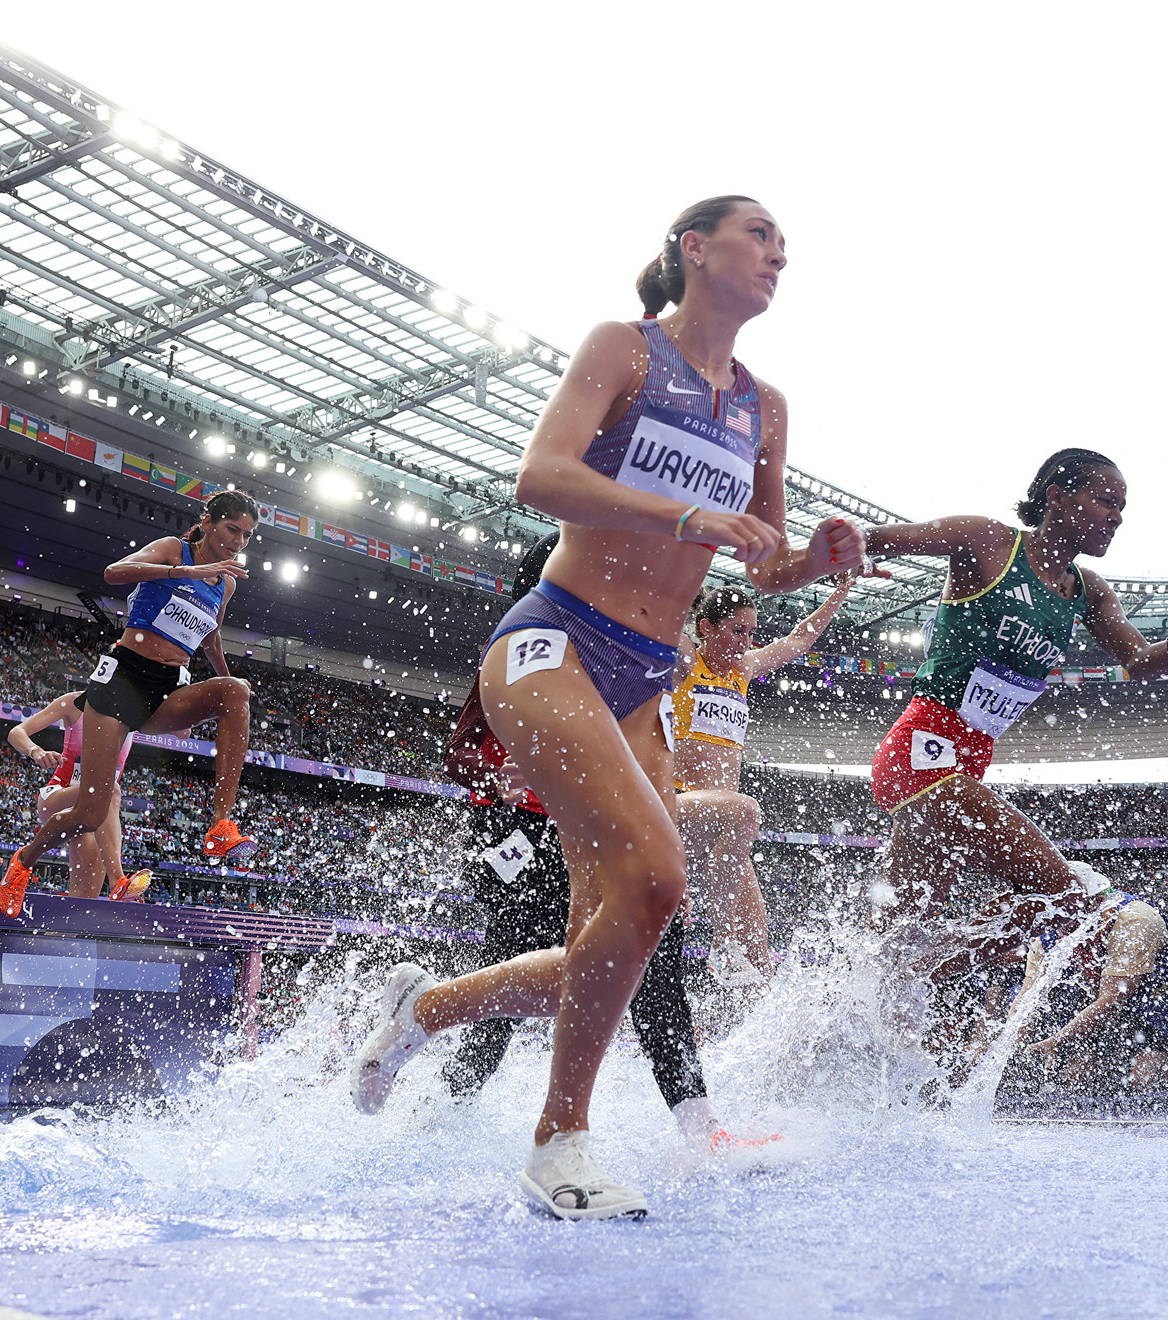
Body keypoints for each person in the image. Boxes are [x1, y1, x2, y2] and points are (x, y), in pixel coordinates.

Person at [349, 196, 865, 1221]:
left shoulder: (766, 405)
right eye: (758, 233)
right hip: (552, 639)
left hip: (643, 675)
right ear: (693, 248)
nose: (778, 252)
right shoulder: (624, 349)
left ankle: (428, 1009)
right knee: (660, 878)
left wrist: (817, 560)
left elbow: (759, 555)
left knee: (618, 936)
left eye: (782, 243)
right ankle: (559, 1144)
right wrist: (685, 512)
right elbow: (539, 477)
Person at [858, 450, 1168, 993]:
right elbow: (872, 537)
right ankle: (926, 973)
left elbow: (1138, 663)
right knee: (1064, 897)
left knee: (898, 929)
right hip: (923, 752)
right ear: (1057, 495)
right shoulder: (989, 542)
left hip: (968, 764)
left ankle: (848, 1004)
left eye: (1122, 508)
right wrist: (842, 553)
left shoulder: (1089, 591)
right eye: (1105, 501)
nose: (1117, 517)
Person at [436, 536, 759, 1153]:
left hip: (594, 827)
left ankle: (698, 1125)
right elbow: (458, 755)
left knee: (651, 965)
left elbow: (654, 761)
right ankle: (451, 1090)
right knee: (518, 965)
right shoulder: (516, 651)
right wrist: (494, 779)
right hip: (517, 835)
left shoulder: (634, 660)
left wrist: (671, 864)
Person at [0, 489, 264, 918]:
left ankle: (220, 826)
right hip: (122, 680)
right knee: (91, 812)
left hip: (166, 687)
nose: (238, 541)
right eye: (233, 529)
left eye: (247, 535)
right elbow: (115, 572)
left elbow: (210, 636)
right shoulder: (175, 550)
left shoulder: (225, 582)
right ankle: (23, 862)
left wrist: (225, 675)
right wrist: (188, 570)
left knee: (237, 691)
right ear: (208, 521)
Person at [672, 577, 854, 985]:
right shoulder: (685, 661)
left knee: (760, 947)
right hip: (678, 805)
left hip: (721, 826)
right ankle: (721, 942)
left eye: (752, 633)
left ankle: (748, 1029)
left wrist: (841, 591)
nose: (745, 642)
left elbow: (799, 640)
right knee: (747, 810)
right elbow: (661, 622)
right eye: (737, 631)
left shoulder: (744, 669)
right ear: (706, 629)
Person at [1017, 883, 1168, 1090]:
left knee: (1144, 1079)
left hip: (1152, 1009)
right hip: (1092, 1011)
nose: (1060, 918)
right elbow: (1026, 998)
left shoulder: (1135, 918)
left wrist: (1057, 1041)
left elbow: (1113, 999)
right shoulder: (1048, 931)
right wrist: (1009, 1050)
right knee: (1075, 1078)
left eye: (1067, 909)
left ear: (1095, 901)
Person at [8, 690, 150, 900]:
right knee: (109, 790)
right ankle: (118, 880)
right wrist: (36, 751)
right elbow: (16, 732)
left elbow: (183, 733)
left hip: (93, 816)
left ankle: (54, 933)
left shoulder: (137, 713)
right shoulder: (74, 703)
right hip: (60, 796)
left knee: (81, 903)